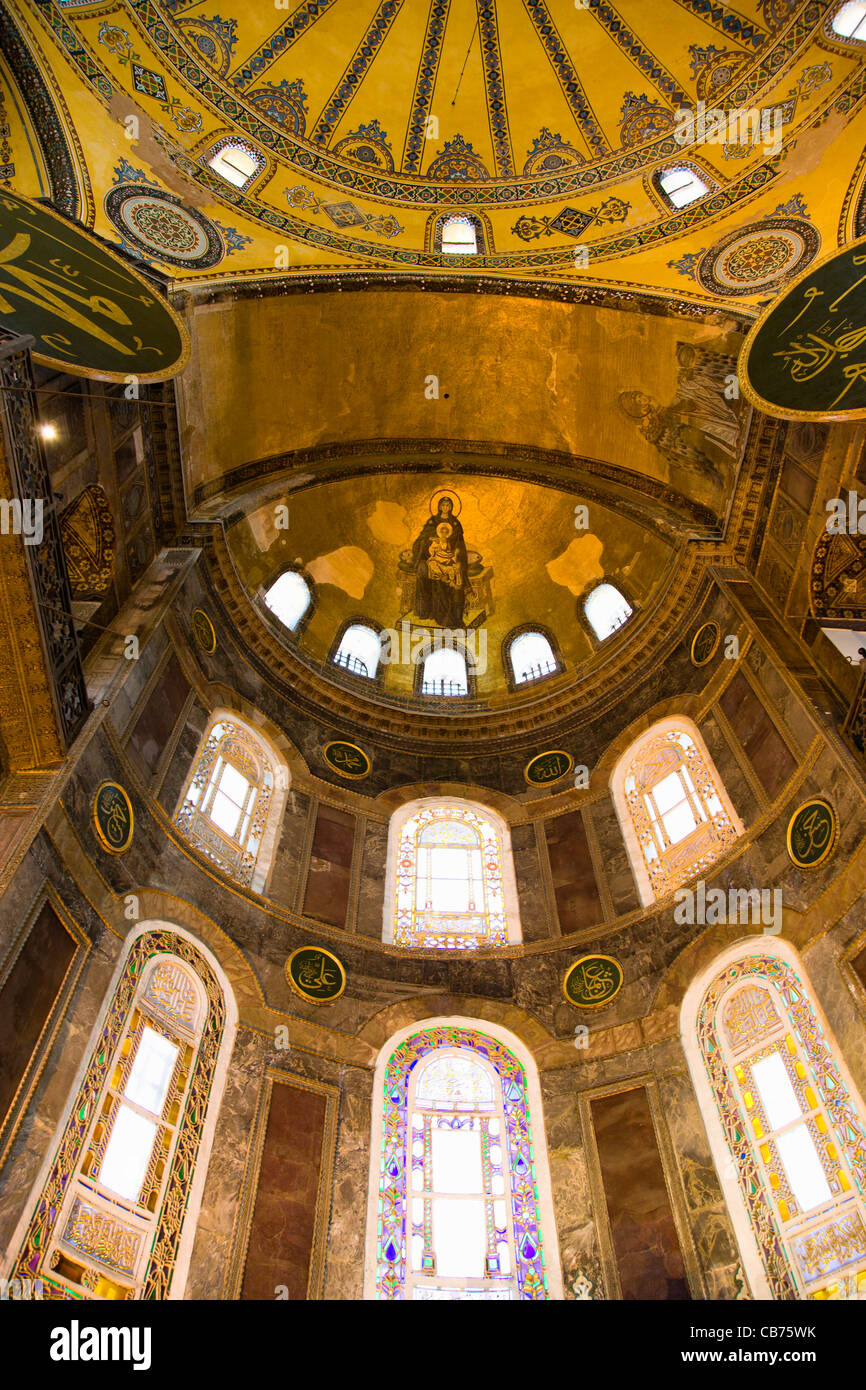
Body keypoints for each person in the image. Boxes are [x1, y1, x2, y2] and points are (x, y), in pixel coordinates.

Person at [409, 496, 469, 627]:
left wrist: (457, 559)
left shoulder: (455, 523)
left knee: (457, 580)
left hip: (450, 559)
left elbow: (460, 545)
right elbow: (421, 540)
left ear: (451, 507)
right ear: (439, 506)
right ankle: (432, 612)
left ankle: (455, 617)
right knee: (429, 573)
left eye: (448, 505)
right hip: (435, 560)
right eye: (443, 505)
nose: (445, 508)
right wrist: (430, 542)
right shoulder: (433, 521)